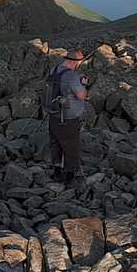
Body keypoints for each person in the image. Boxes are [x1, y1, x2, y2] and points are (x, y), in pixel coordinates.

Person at [43, 49, 89, 185]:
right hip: (67, 119)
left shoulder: (54, 70)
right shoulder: (72, 76)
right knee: (71, 147)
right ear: (76, 62)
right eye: (80, 62)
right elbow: (82, 95)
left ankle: (56, 171)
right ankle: (69, 177)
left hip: (53, 115)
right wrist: (83, 84)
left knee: (55, 144)